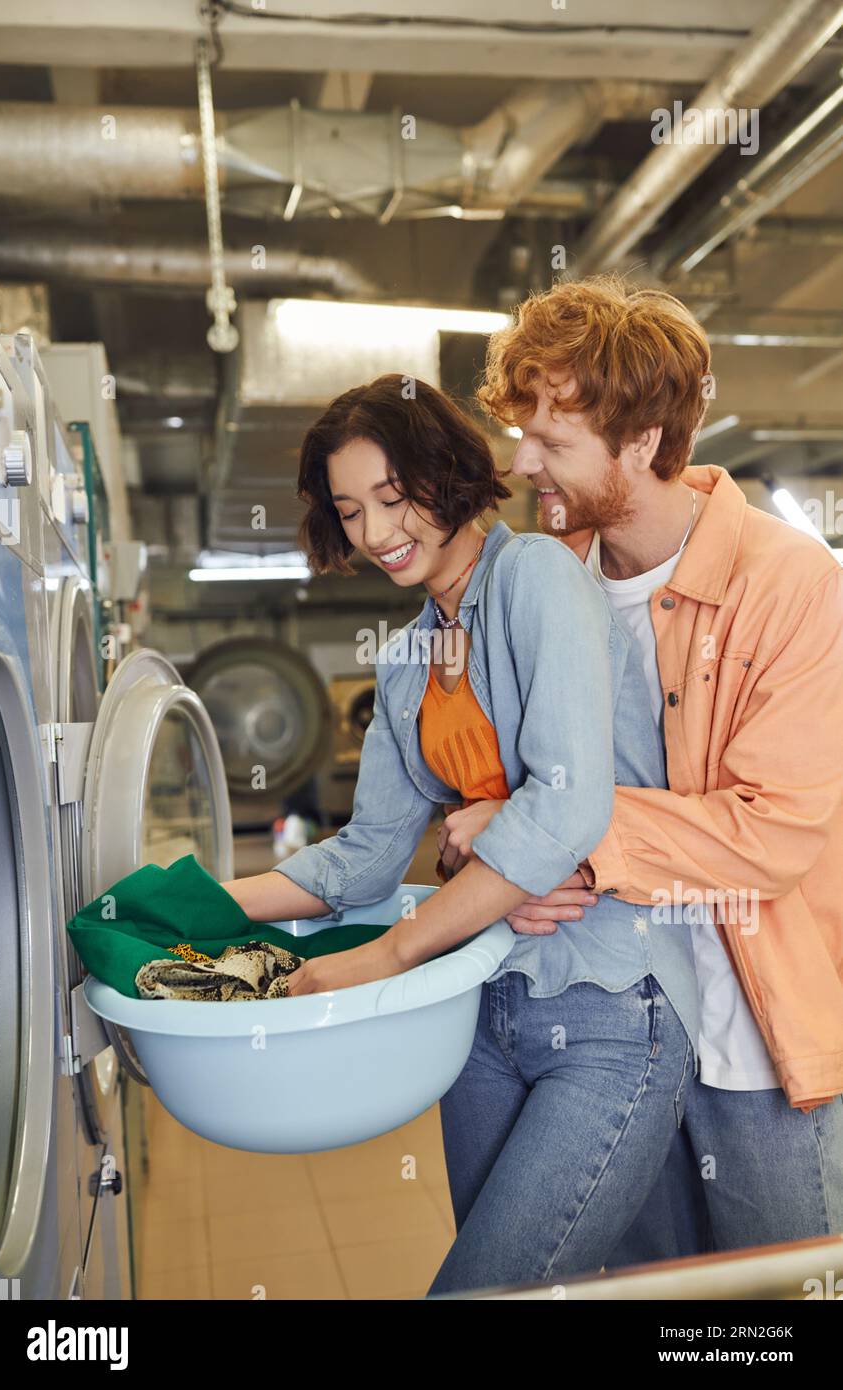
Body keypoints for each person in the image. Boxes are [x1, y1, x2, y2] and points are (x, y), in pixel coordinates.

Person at [219, 373, 701, 1291]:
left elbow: (564, 808)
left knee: (483, 1290)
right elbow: (363, 858)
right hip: (481, 1011)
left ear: (445, 474)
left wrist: (391, 956)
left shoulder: (537, 578)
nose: (374, 533)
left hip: (608, 1000)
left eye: (393, 499)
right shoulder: (406, 661)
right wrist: (195, 905)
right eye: (350, 510)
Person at [439, 274, 843, 1262]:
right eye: (519, 429)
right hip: (598, 1029)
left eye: (551, 441)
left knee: (765, 1311)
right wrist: (482, 856)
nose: (519, 460)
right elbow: (478, 797)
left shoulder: (788, 583)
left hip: (750, 1043)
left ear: (642, 444)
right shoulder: (535, 583)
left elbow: (770, 832)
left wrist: (552, 845)